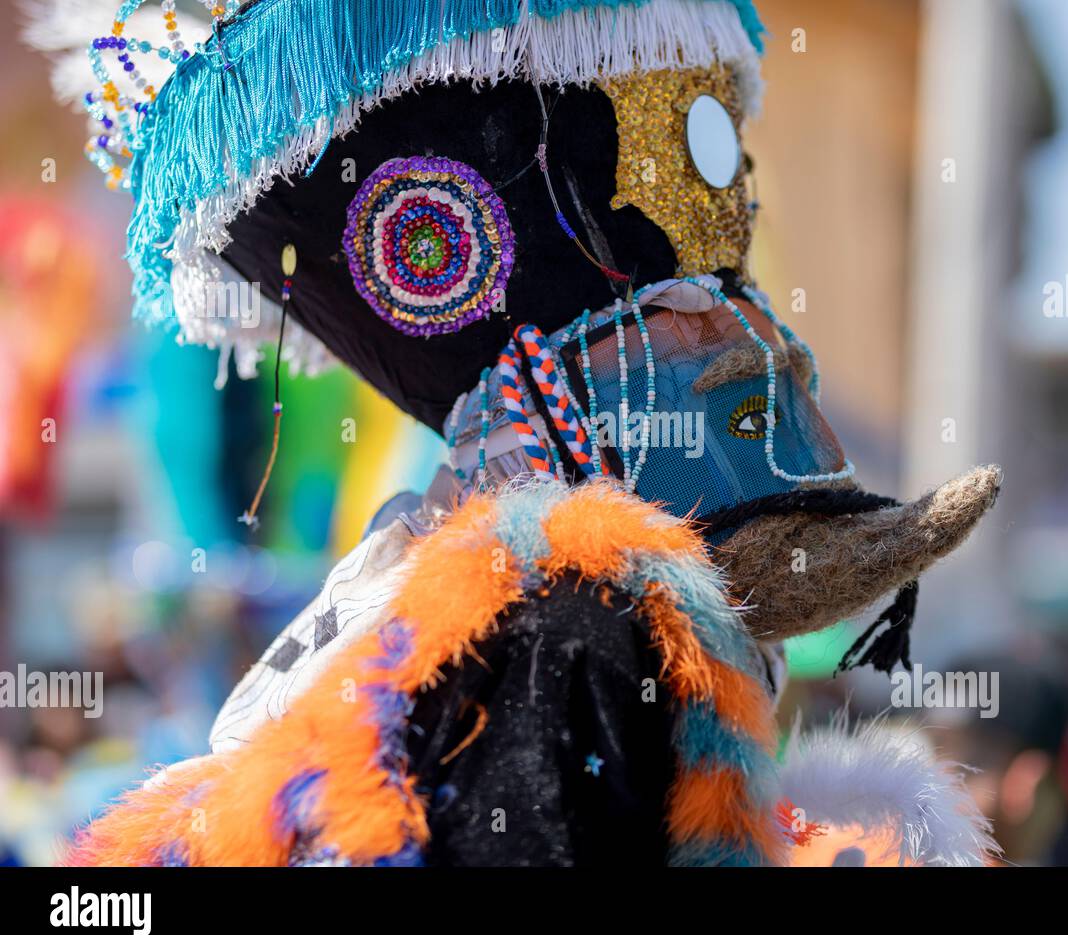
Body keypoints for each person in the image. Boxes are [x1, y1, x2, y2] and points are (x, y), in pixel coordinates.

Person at [40, 0, 1001, 867]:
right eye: (682, 335)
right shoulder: (574, 640)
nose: (766, 356)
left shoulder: (525, 620)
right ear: (554, 403)